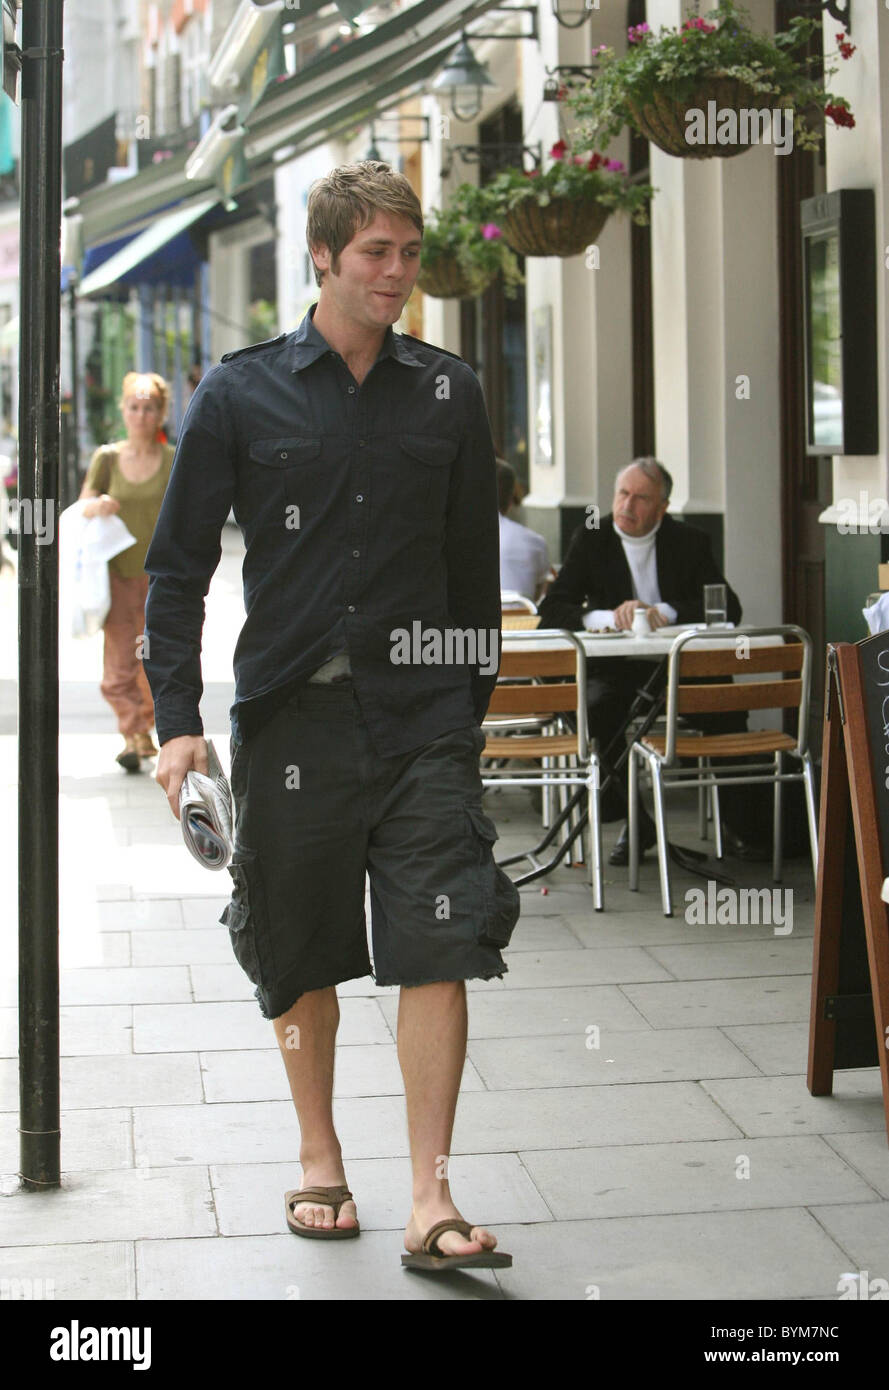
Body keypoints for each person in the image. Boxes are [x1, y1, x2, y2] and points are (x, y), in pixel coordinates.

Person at [144, 161, 520, 1271]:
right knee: (297, 946)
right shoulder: (240, 392)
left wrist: (466, 706)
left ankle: (431, 1200)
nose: (398, 273)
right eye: (376, 254)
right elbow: (175, 574)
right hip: (293, 720)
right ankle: (319, 1155)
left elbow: (467, 570)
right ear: (323, 255)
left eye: (409, 252)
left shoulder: (449, 392)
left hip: (421, 724)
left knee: (438, 940)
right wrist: (177, 720)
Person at [538, 458, 742, 865]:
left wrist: (665, 610)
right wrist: (608, 618)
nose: (627, 505)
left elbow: (728, 606)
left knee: (727, 708)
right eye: (622, 493)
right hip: (614, 666)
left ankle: (749, 827)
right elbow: (553, 609)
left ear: (662, 507)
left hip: (676, 668)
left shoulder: (689, 541)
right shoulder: (591, 537)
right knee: (593, 711)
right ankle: (636, 818)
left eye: (641, 498)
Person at [79, 372, 175, 771]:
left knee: (154, 657)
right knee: (120, 659)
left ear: (160, 413)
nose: (140, 414)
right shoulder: (107, 458)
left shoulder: (173, 459)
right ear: (124, 410)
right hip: (116, 576)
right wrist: (98, 503)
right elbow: (82, 504)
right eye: (134, 407)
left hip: (162, 578)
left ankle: (145, 729)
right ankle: (133, 734)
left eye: (148, 407)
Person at [497, 458, 551, 604]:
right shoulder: (536, 542)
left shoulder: (457, 539)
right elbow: (538, 593)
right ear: (511, 499)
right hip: (524, 622)